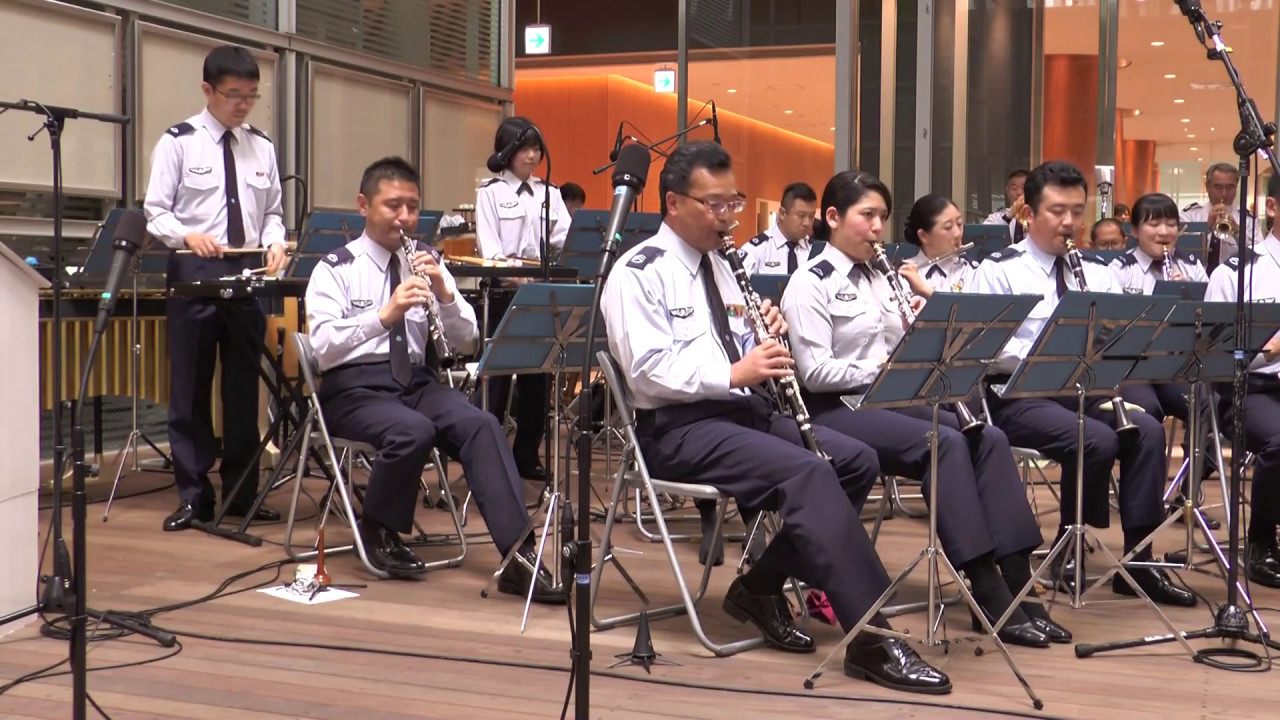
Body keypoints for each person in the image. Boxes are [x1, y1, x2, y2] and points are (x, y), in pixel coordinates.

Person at [602, 141, 950, 694]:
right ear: (672, 203)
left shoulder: (720, 268)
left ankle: (758, 586)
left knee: (855, 460)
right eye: (715, 205)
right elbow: (647, 373)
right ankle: (870, 635)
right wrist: (736, 370)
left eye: (733, 203)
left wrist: (762, 332)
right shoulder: (637, 272)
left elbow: (736, 345)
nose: (728, 217)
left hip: (741, 414)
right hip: (679, 429)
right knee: (809, 471)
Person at [781, 171, 1066, 647]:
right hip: (835, 409)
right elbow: (815, 373)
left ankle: (1017, 583)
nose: (877, 227)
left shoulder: (884, 277)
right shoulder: (810, 283)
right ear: (832, 218)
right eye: (866, 216)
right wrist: (887, 366)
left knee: (988, 437)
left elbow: (905, 348)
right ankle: (986, 589)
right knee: (944, 441)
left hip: (890, 400)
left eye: (882, 218)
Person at [304, 156, 564, 600]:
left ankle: (520, 556)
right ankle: (379, 531)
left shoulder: (427, 263)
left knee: (481, 424)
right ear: (363, 205)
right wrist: (383, 316)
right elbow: (322, 346)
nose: (405, 218)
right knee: (413, 430)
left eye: (412, 207)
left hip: (416, 382)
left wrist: (446, 295)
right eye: (393, 206)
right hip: (354, 388)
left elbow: (467, 340)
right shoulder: (335, 268)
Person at [968, 161, 1195, 607]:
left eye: (1076, 210)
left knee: (1147, 429)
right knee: (1093, 439)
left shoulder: (1097, 271)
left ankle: (1138, 562)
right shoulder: (998, 271)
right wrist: (1049, 355)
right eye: (1056, 211)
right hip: (1018, 393)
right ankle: (1068, 545)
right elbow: (981, 350)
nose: (1069, 222)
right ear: (1028, 213)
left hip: (1085, 389)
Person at [143, 45, 287, 532]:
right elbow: (155, 210)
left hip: (247, 271)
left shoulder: (261, 146)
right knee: (191, 387)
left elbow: (272, 213)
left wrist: (274, 242)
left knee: (244, 391)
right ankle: (194, 496)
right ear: (208, 90)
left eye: (252, 96)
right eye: (234, 96)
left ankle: (243, 494)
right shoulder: (179, 142)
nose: (243, 105)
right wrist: (187, 234)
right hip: (193, 271)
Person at [1110, 192, 1217, 526]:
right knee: (1148, 417)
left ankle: (1188, 495)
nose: (1164, 231)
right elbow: (1113, 328)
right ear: (1135, 229)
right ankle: (1143, 504)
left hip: (1175, 367)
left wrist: (1191, 301)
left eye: (1171, 223)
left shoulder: (1192, 266)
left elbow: (1212, 324)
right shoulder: (1119, 268)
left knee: (1208, 406)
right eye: (1153, 223)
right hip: (1132, 369)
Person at [474, 116, 570, 480]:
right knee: (497, 381)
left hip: (543, 295)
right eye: (525, 149)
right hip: (504, 295)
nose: (532, 156)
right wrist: (517, 274)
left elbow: (565, 239)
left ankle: (527, 456)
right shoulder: (490, 193)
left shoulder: (550, 192)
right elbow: (490, 250)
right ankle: (486, 458)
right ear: (508, 151)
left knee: (538, 381)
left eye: (537, 150)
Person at [1203, 172, 1280, 588]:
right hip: (1253, 390)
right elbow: (1216, 359)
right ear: (1271, 208)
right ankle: (1262, 540)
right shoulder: (1237, 273)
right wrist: (1270, 349)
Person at [897, 193, 980, 297]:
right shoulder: (903, 273)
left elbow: (968, 310)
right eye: (948, 227)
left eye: (959, 224)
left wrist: (927, 293)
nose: (958, 233)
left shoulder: (969, 269)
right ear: (924, 236)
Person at [1180, 162, 1258, 262]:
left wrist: (1238, 233)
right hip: (1196, 276)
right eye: (1218, 187)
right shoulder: (1190, 215)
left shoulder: (1247, 219)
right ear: (1207, 186)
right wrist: (1206, 228)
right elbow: (1180, 250)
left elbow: (1257, 256)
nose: (1224, 194)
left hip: (1232, 276)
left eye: (1230, 187)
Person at [739, 182, 818, 275]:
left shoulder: (815, 251)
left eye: (811, 216)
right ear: (782, 214)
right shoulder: (757, 250)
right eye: (801, 215)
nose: (807, 223)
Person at [983, 169, 1029, 241]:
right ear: (1007, 191)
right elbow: (983, 238)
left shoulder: (1039, 216)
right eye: (1014, 188)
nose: (1019, 192)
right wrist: (1008, 218)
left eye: (1024, 188)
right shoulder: (996, 217)